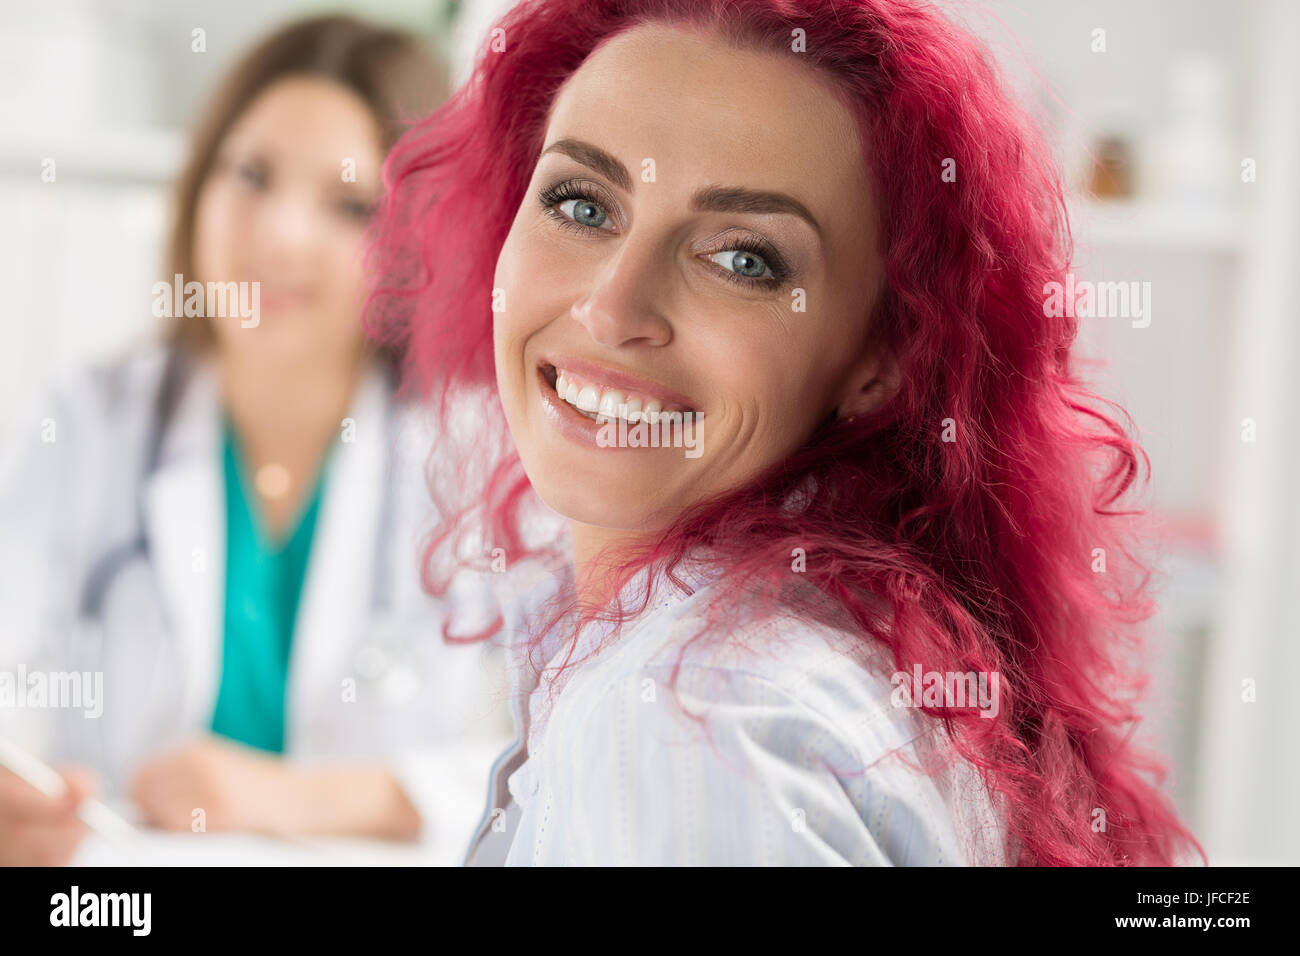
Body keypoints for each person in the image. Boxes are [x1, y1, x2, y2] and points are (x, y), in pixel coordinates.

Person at [368, 0, 1206, 865]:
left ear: (881, 354)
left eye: (743, 259)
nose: (611, 309)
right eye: (582, 204)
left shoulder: (689, 717)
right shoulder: (807, 656)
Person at [0, 15, 511, 866]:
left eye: (349, 205)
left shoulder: (476, 457)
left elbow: (557, 767)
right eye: (252, 174)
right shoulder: (86, 424)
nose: (280, 233)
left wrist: (299, 797)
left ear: (416, 243)